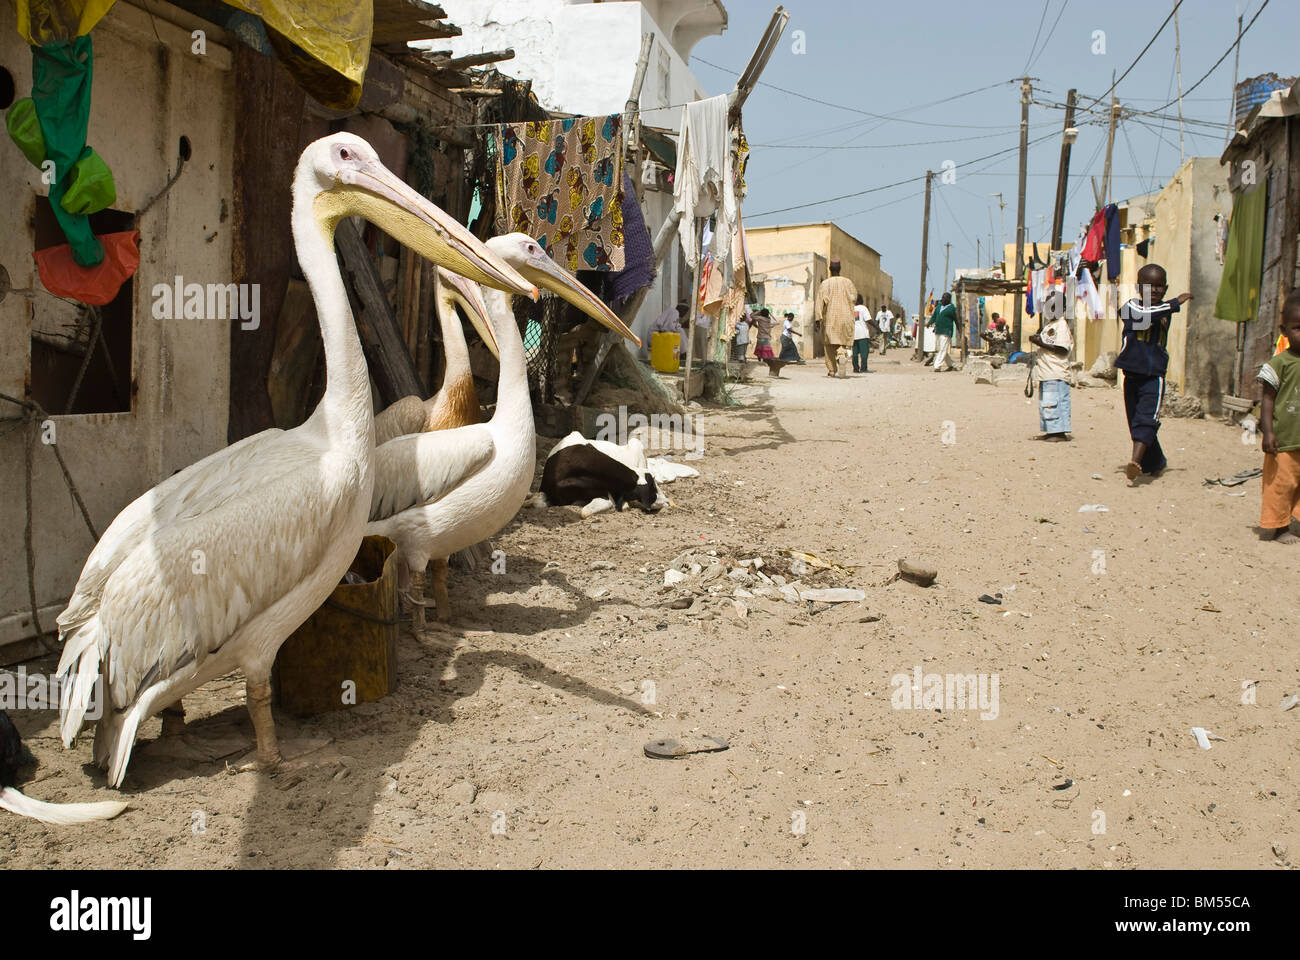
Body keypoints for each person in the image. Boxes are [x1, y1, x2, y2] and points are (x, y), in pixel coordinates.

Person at [1117, 264, 1192, 482]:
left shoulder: (1164, 311)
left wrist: (1171, 305)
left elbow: (1157, 311)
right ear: (1139, 287)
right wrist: (1175, 302)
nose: (1157, 290)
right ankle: (1155, 461)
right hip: (1132, 375)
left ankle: (1136, 462)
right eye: (1151, 286)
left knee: (1147, 419)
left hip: (1154, 376)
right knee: (1135, 421)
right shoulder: (1131, 307)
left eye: (1161, 286)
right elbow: (1144, 314)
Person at [1256, 291, 1300, 543]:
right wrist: (1268, 431)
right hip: (1283, 440)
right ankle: (1279, 526)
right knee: (1280, 485)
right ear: (1284, 330)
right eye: (1298, 328)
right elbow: (1268, 399)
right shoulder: (1279, 364)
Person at [1028, 298, 1073, 442]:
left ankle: (1059, 433)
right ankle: (1051, 431)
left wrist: (1040, 343)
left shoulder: (1061, 325)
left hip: (1056, 372)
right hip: (1046, 372)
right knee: (1046, 403)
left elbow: (1061, 349)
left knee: (1054, 402)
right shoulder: (1049, 325)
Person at [816, 258, 857, 378]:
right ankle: (841, 355)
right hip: (846, 317)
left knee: (829, 344)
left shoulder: (825, 284)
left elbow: (819, 302)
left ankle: (832, 370)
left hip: (830, 317)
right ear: (840, 269)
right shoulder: (848, 282)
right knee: (842, 342)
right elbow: (854, 298)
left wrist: (818, 319)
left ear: (829, 269)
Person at [927, 292, 957, 372]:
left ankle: (937, 366)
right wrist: (929, 323)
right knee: (940, 348)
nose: (943, 299)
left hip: (946, 331)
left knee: (943, 349)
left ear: (949, 299)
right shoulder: (938, 307)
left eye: (945, 298)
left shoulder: (952, 308)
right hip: (938, 330)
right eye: (942, 297)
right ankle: (951, 364)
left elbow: (956, 319)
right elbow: (934, 317)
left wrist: (959, 329)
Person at [852, 295, 872, 374]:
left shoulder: (851, 309)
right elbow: (868, 320)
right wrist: (877, 328)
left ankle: (856, 368)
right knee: (864, 353)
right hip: (863, 333)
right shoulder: (863, 308)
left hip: (853, 334)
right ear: (861, 300)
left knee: (855, 353)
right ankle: (863, 368)